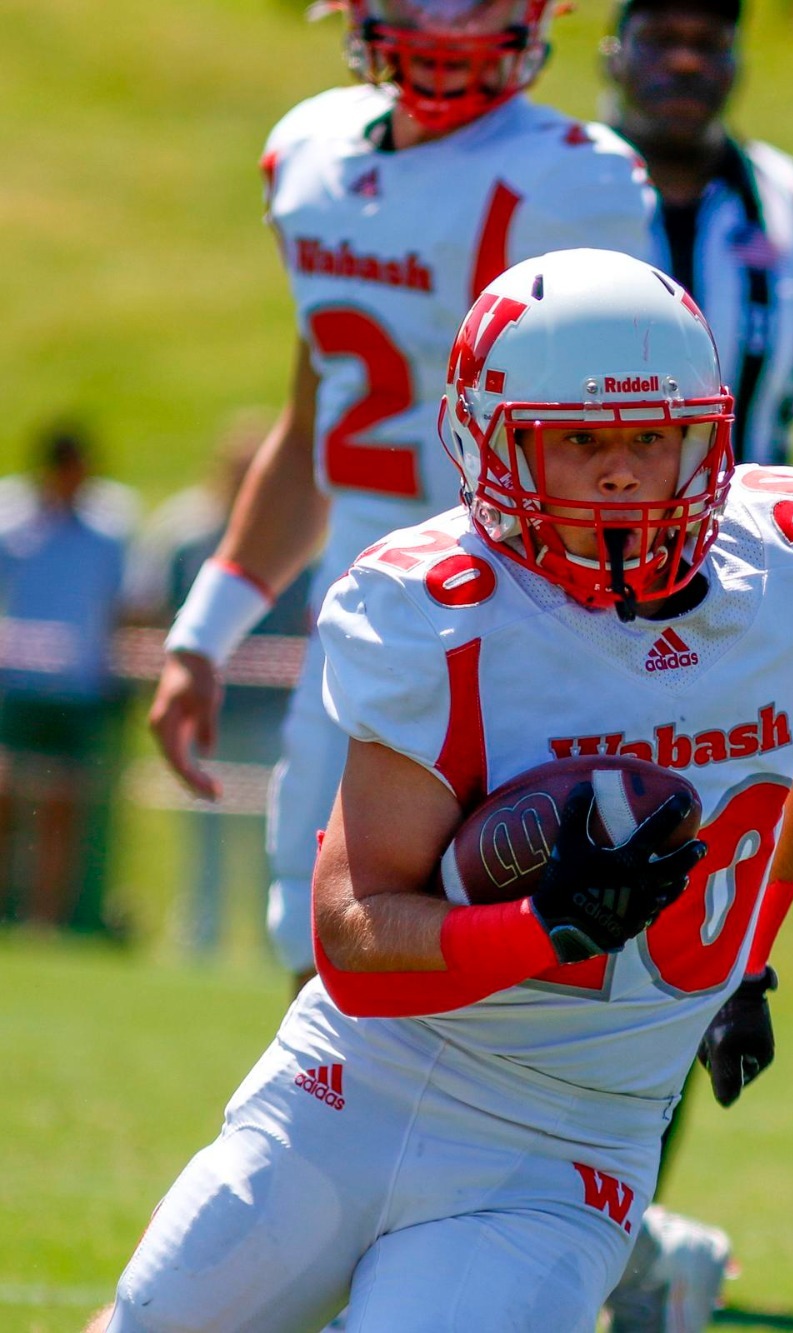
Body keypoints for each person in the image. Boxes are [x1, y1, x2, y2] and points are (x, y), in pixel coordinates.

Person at [92, 247, 793, 1332]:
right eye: (580, 441)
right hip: (364, 1083)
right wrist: (543, 925)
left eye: (650, 438)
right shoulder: (442, 612)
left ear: (703, 435)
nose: (621, 473)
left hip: (570, 1138)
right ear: (492, 442)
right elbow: (352, 935)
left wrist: (743, 955)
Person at [146, 0, 661, 992]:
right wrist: (204, 631)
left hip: (518, 626)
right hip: (362, 622)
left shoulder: (572, 178)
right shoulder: (310, 152)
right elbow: (316, 427)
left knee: (515, 984)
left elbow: (632, 442)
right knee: (323, 960)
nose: (449, 18)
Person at [602, 0, 793, 733]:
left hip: (749, 597)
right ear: (615, 54)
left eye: (710, 42)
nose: (687, 60)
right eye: (662, 37)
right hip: (557, 597)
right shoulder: (545, 199)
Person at [126, 413, 315, 956]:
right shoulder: (185, 537)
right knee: (201, 838)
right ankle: (199, 942)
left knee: (266, 839)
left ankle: (265, 945)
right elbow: (155, 611)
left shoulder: (296, 544)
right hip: (206, 717)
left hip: (266, 718)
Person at [0, 425, 135, 934]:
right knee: (6, 801)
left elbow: (121, 604)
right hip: (14, 683)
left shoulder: (107, 531)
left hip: (77, 688)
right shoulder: (11, 523)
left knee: (63, 808)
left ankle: (44, 919)